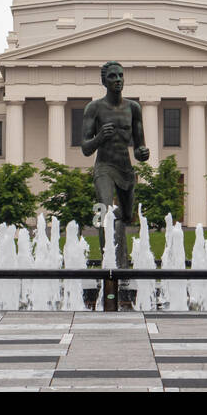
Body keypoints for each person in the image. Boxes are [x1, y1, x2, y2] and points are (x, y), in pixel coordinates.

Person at [80, 60, 149, 268]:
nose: (118, 80)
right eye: (112, 76)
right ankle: (109, 265)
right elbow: (85, 148)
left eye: (120, 75)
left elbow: (139, 147)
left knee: (125, 217)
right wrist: (100, 137)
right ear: (104, 81)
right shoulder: (94, 108)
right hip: (104, 167)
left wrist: (142, 153)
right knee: (105, 214)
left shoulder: (133, 108)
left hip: (125, 169)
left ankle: (120, 259)